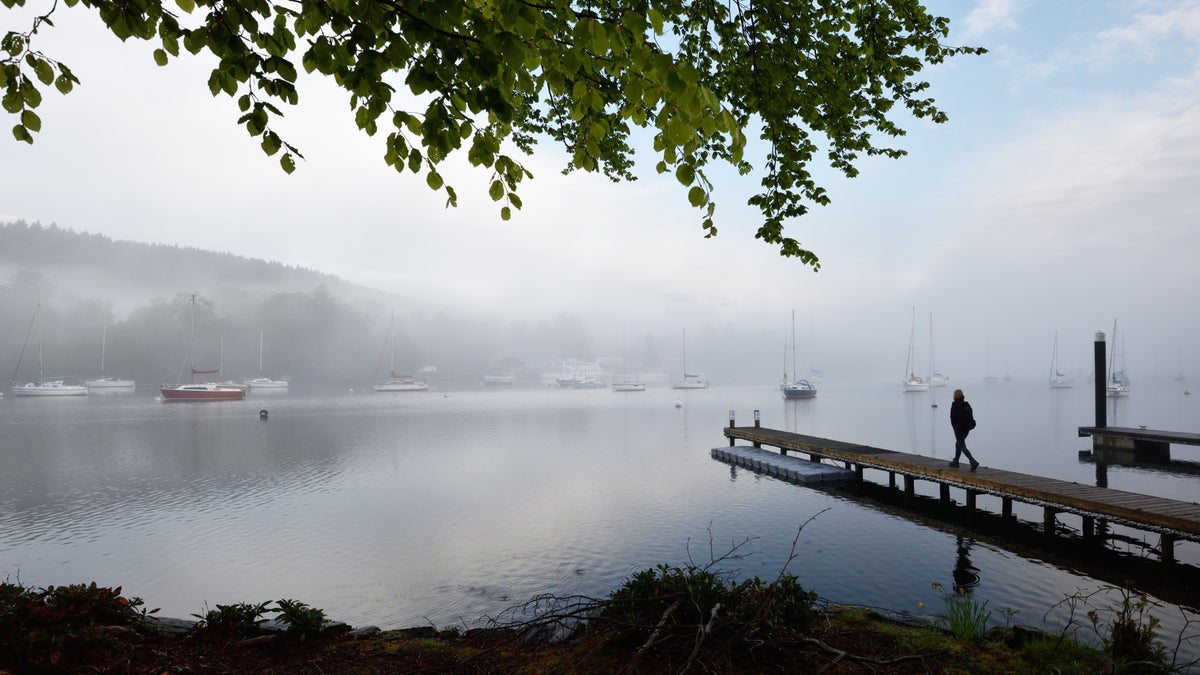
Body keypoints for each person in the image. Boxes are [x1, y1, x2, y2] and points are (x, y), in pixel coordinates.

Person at [949, 388, 979, 471]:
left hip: (958, 428)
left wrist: (954, 427)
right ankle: (956, 461)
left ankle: (973, 461)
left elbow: (952, 417)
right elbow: (971, 415)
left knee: (962, 446)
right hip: (967, 428)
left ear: (955, 396)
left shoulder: (954, 404)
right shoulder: (967, 404)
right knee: (958, 444)